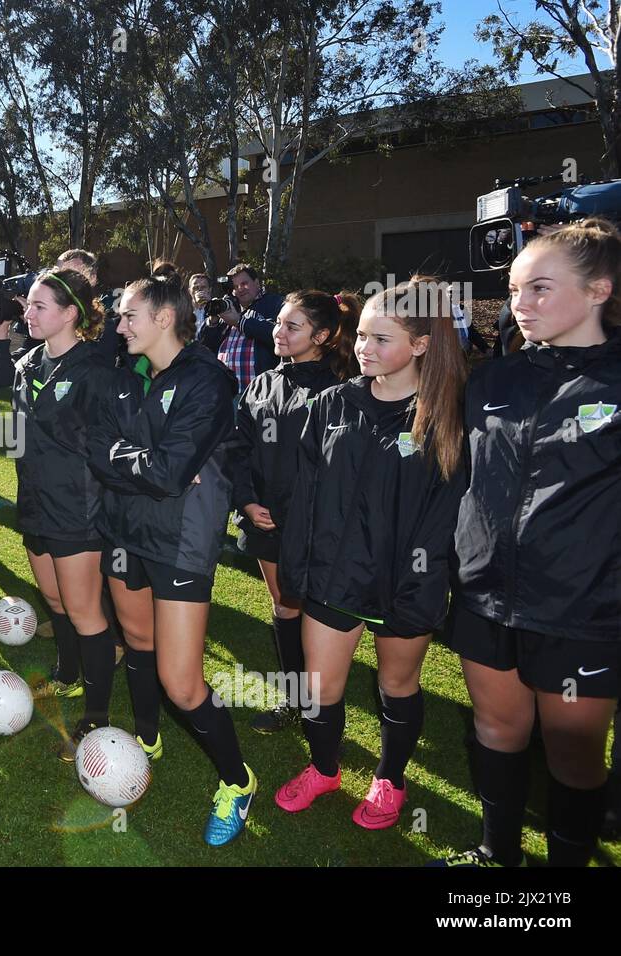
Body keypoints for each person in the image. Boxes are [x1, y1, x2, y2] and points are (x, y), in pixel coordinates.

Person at [434, 217, 621, 867]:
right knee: (497, 731)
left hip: (582, 612)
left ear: (599, 289)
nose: (521, 304)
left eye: (540, 288)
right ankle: (497, 856)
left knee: (572, 755)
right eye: (515, 289)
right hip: (487, 598)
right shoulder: (494, 379)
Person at [276, 276, 467, 830]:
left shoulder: (444, 417)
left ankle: (391, 778)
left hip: (402, 585)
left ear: (421, 345)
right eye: (361, 336)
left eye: (381, 340)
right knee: (318, 687)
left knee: (396, 686)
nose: (364, 349)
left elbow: (444, 514)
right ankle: (324, 768)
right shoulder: (332, 403)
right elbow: (302, 499)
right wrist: (298, 569)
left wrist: (422, 582)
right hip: (332, 580)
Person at [89, 267, 257, 846]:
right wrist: (129, 457)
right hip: (123, 530)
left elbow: (167, 474)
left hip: (181, 539)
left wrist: (124, 458)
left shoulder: (208, 380)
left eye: (129, 315)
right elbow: (100, 444)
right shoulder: (131, 372)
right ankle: (148, 737)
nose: (119, 325)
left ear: (165, 317)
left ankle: (238, 781)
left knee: (182, 683)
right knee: (136, 641)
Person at [8, 268, 154, 759]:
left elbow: (127, 438)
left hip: (78, 510)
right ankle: (67, 671)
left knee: (85, 612)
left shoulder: (98, 371)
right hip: (34, 504)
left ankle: (96, 717)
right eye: (27, 304)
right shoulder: (25, 363)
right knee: (54, 600)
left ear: (72, 314)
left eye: (39, 306)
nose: (28, 313)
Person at [231, 290, 362, 734]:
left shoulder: (341, 391)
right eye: (278, 324)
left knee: (318, 615)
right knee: (285, 607)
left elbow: (343, 470)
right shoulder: (261, 384)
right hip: (266, 522)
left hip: (317, 528)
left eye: (292, 326)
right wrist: (247, 501)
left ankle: (322, 707)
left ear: (322, 335)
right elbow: (238, 449)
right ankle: (295, 699)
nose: (279, 332)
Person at [198, 264, 283, 393]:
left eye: (244, 283)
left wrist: (239, 322)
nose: (240, 289)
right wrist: (213, 321)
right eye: (235, 287)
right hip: (227, 393)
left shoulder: (273, 303)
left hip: (262, 392)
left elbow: (277, 334)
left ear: (257, 283)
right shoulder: (229, 309)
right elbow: (205, 348)